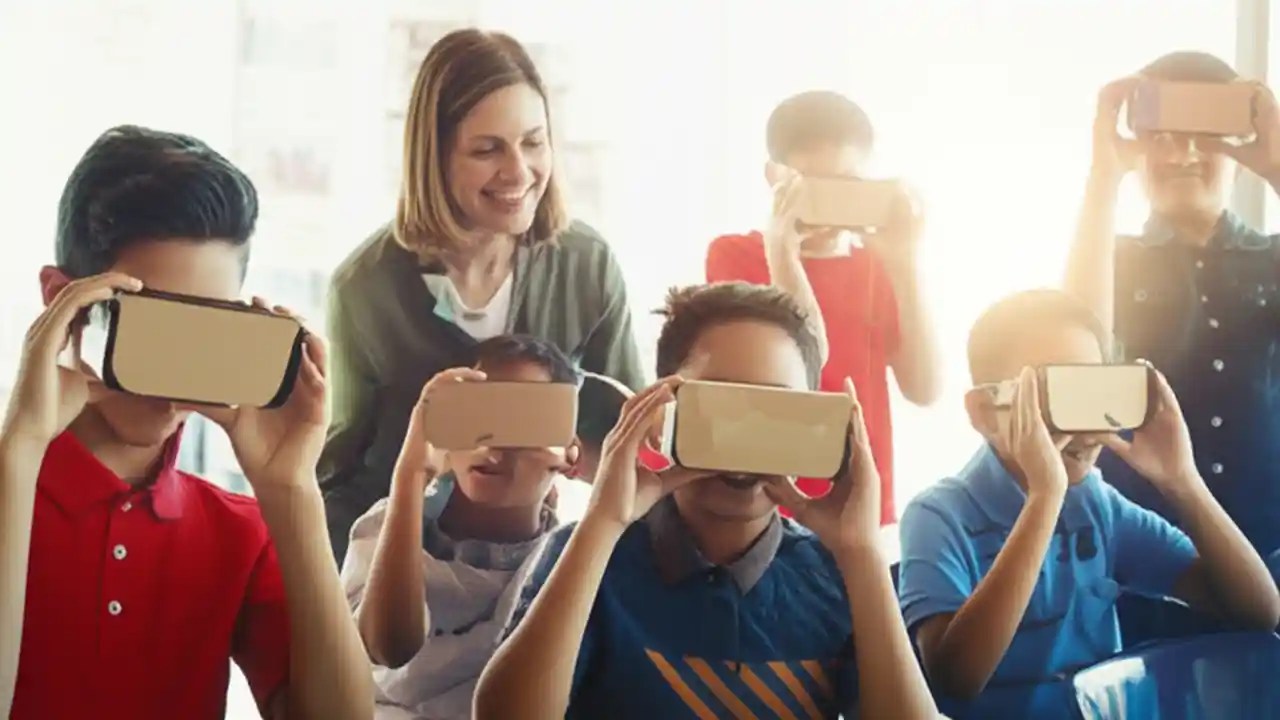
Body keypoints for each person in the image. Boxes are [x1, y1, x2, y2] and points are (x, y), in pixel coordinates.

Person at [0, 126, 374, 719]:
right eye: (153, 328)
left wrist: (291, 488)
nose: (174, 382)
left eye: (205, 331)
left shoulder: (239, 531)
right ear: (61, 300)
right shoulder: (8, 480)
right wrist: (18, 456)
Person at [474, 282, 938, 720]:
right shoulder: (589, 557)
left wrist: (861, 554)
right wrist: (603, 523)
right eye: (717, 408)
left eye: (776, 411)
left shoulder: (841, 576)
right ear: (657, 414)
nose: (744, 440)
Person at [321, 28, 644, 564]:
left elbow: (628, 438)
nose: (519, 172)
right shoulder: (365, 287)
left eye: (534, 142)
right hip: (401, 567)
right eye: (487, 149)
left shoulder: (586, 265)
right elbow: (344, 471)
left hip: (539, 564)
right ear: (435, 156)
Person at [897, 289, 1280, 720]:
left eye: (1095, 393)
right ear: (986, 412)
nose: (1082, 423)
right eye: (1055, 395)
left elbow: (1259, 611)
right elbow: (958, 677)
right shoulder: (937, 516)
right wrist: (1044, 498)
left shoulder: (1099, 507)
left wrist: (1183, 481)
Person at [1065, 51, 1280, 559]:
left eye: (1204, 135)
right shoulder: (1108, 257)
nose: (1182, 154)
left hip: (1269, 537)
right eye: (1160, 135)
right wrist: (1104, 177)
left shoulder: (1272, 259)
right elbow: (1073, 360)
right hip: (1144, 549)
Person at [705, 90, 941, 525]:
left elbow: (925, 388)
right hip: (769, 506)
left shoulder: (878, 265)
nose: (830, 204)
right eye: (812, 185)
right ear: (775, 177)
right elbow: (807, 367)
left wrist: (905, 263)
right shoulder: (734, 255)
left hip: (860, 503)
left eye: (847, 185)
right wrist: (783, 253)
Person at [342, 334, 583, 720]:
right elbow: (388, 649)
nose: (493, 445)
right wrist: (410, 475)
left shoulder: (573, 561)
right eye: (476, 417)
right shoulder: (385, 529)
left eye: (524, 421)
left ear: (569, 452)